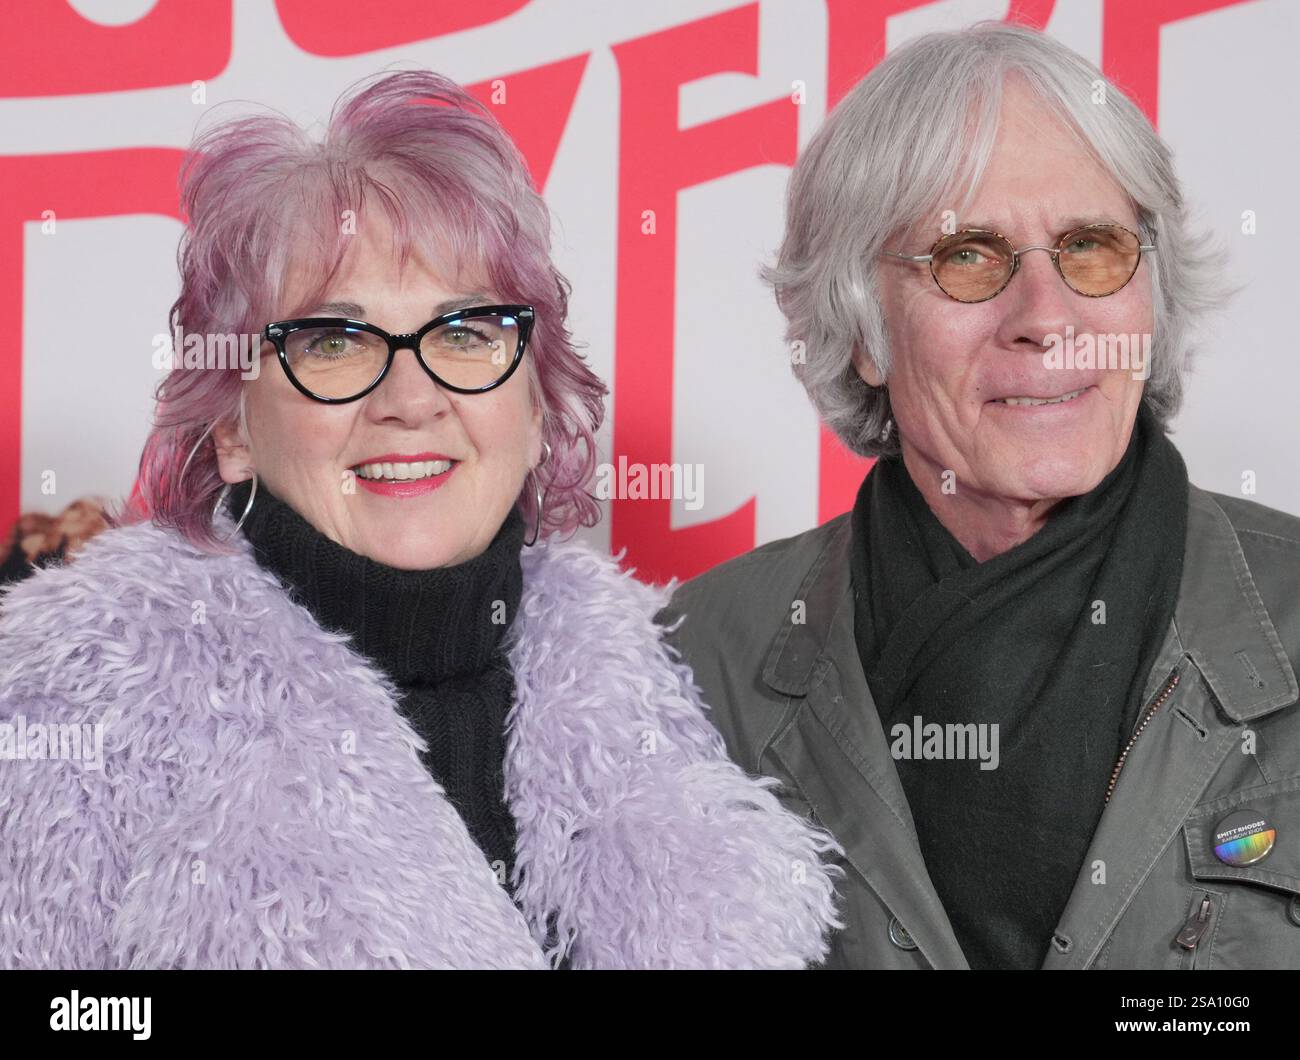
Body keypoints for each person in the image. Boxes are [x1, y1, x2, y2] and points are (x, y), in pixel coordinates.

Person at [0, 71, 841, 970]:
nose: (411, 397)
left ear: (536, 405)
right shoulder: (65, 710)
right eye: (334, 340)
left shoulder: (683, 688)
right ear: (232, 427)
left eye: (465, 333)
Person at [659, 22, 1300, 969]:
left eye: (1091, 248)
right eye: (967, 258)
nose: (1047, 320)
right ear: (864, 330)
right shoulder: (690, 670)